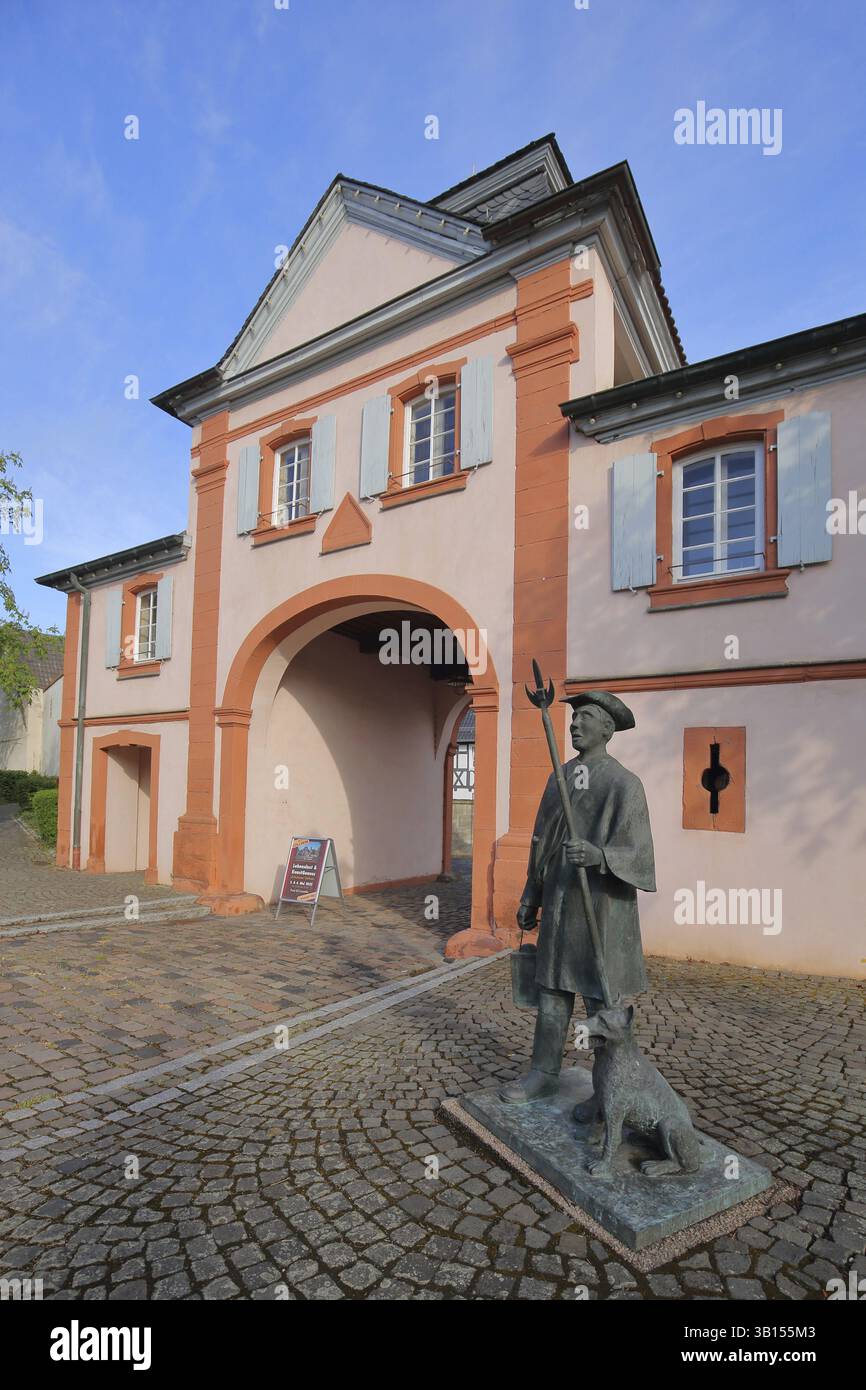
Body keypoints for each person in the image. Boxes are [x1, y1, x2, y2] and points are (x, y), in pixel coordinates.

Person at [500, 690, 656, 1112]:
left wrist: (599, 855)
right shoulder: (560, 777)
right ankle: (543, 1073)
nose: (574, 723)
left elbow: (640, 854)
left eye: (585, 716)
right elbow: (541, 840)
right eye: (572, 717)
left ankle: (610, 1089)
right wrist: (531, 894)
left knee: (601, 1001)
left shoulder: (624, 784)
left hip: (601, 908)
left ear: (607, 728)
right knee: (551, 992)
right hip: (560, 900)